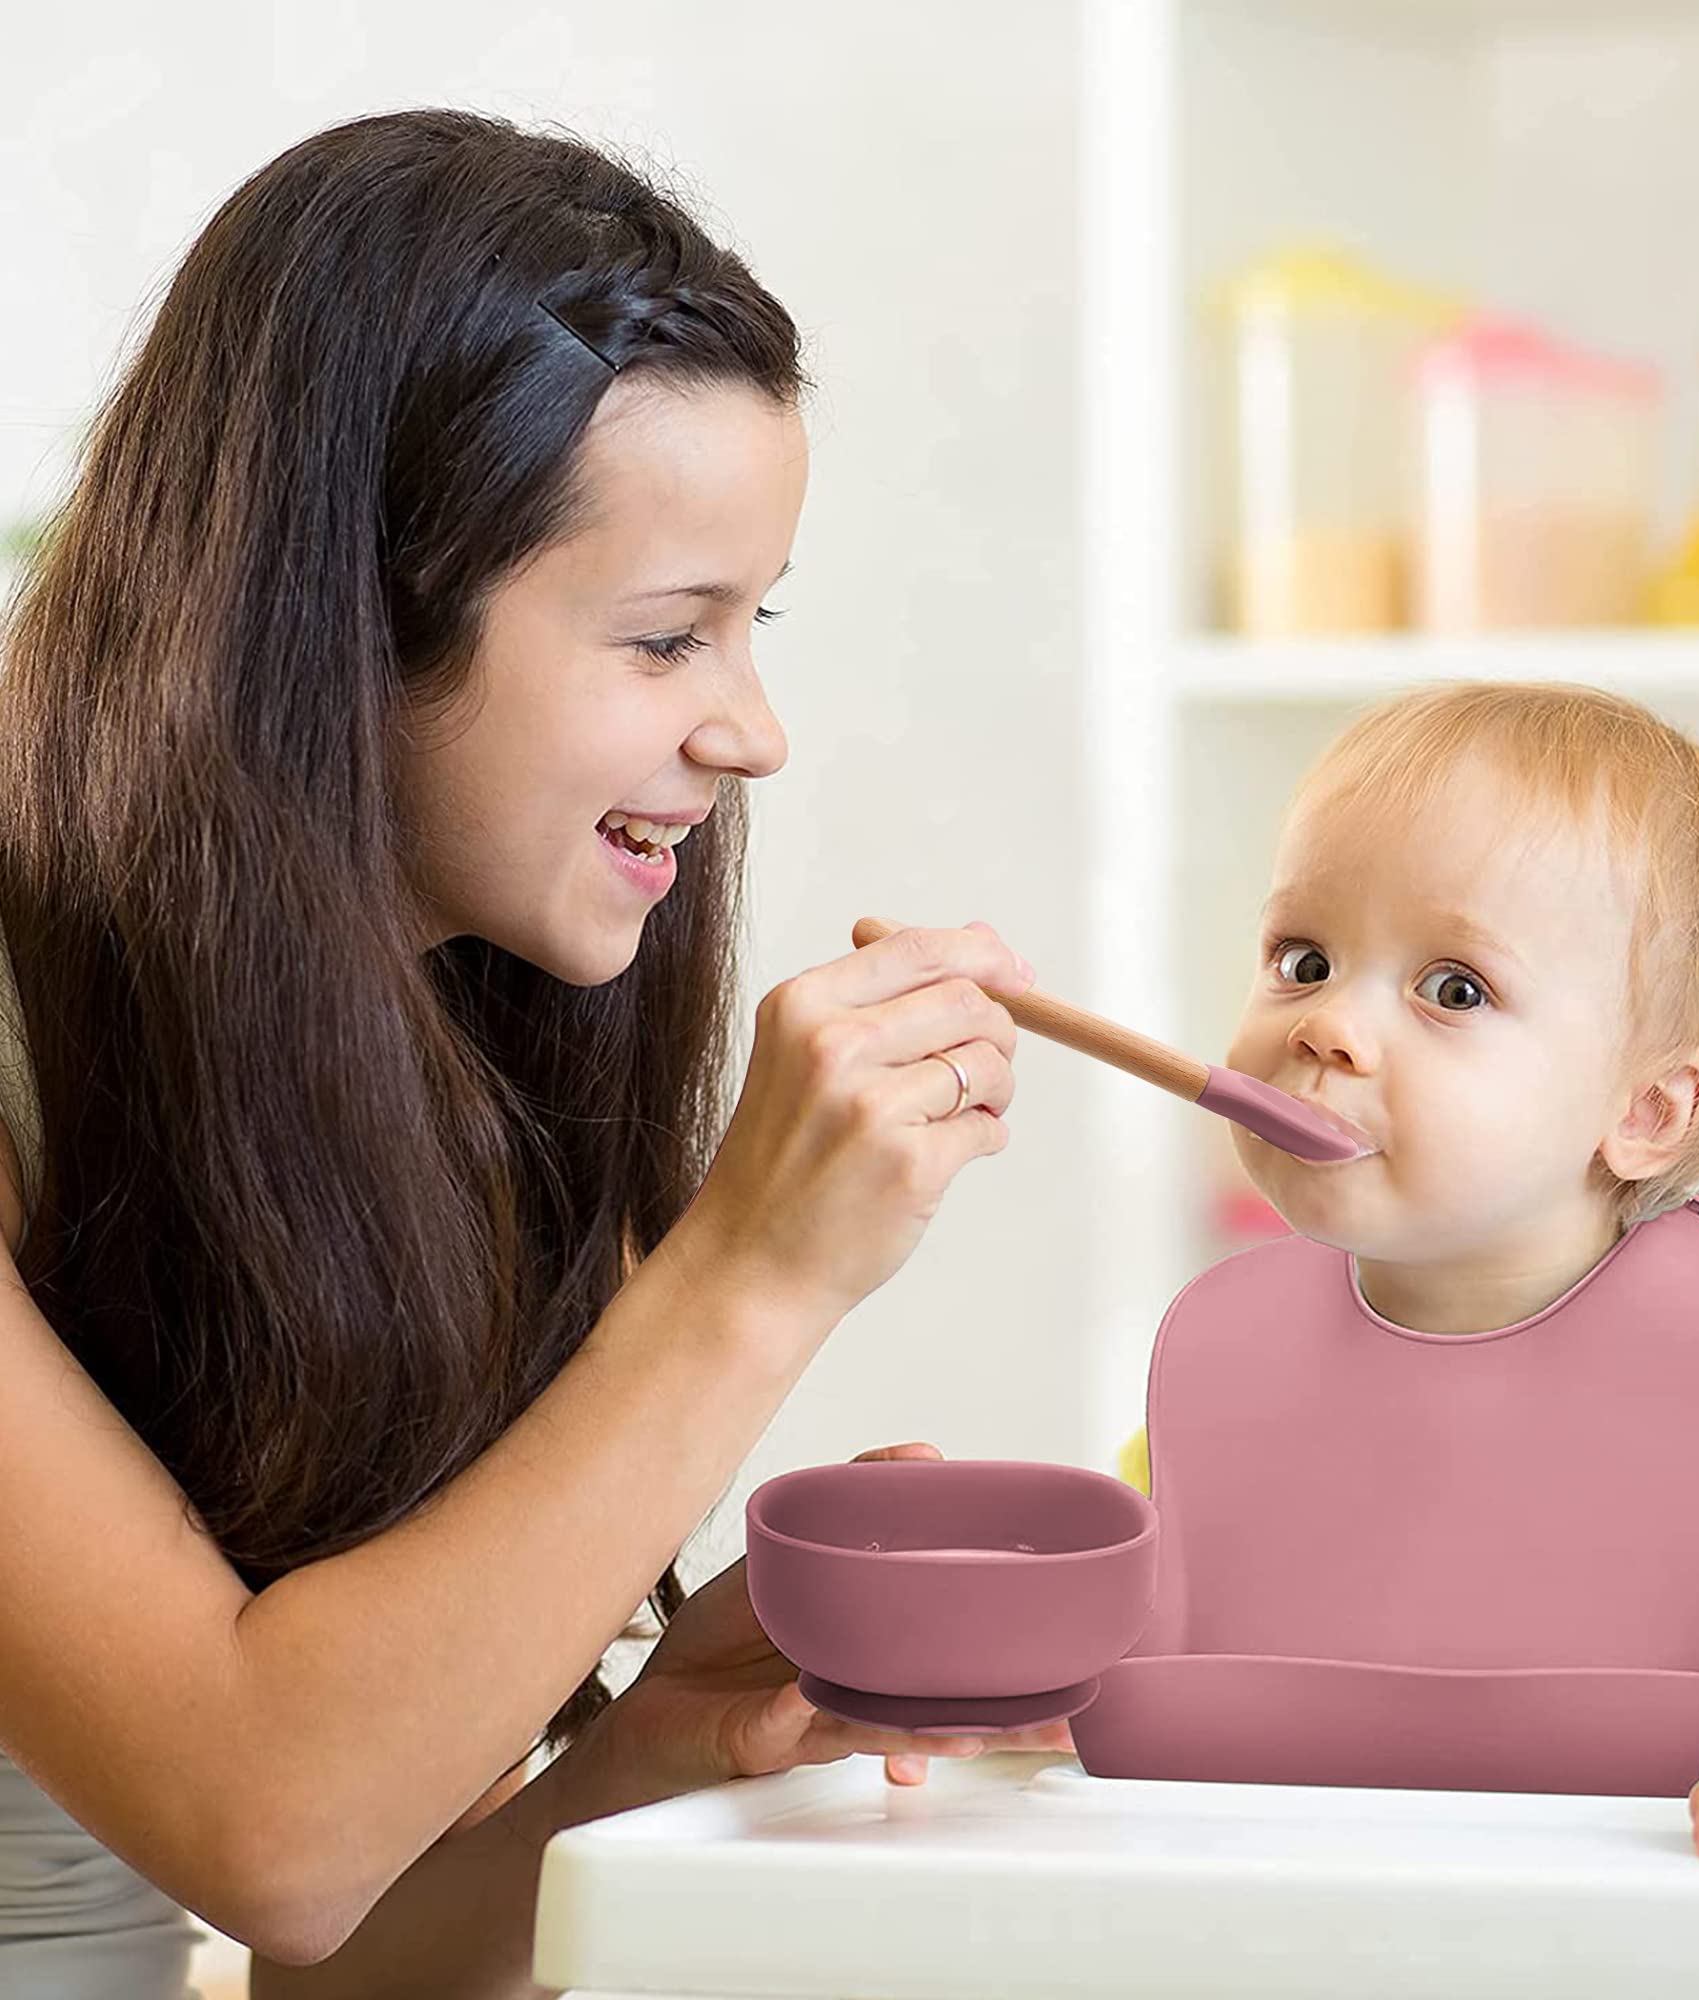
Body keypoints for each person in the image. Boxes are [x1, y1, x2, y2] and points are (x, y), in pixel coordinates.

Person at [0, 106, 1065, 1998]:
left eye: (757, 627)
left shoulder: (431, 1076)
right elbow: (276, 1834)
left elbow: (322, 1962)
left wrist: (655, 1749)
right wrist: (753, 1272)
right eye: (667, 640)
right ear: (344, 619)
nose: (752, 733)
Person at [1117, 679, 1699, 1864]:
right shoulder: (1220, 1372)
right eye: (1303, 956)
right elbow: (1092, 1664)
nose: (1326, 1025)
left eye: (1452, 988)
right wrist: (974, 1672)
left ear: (1644, 1109)